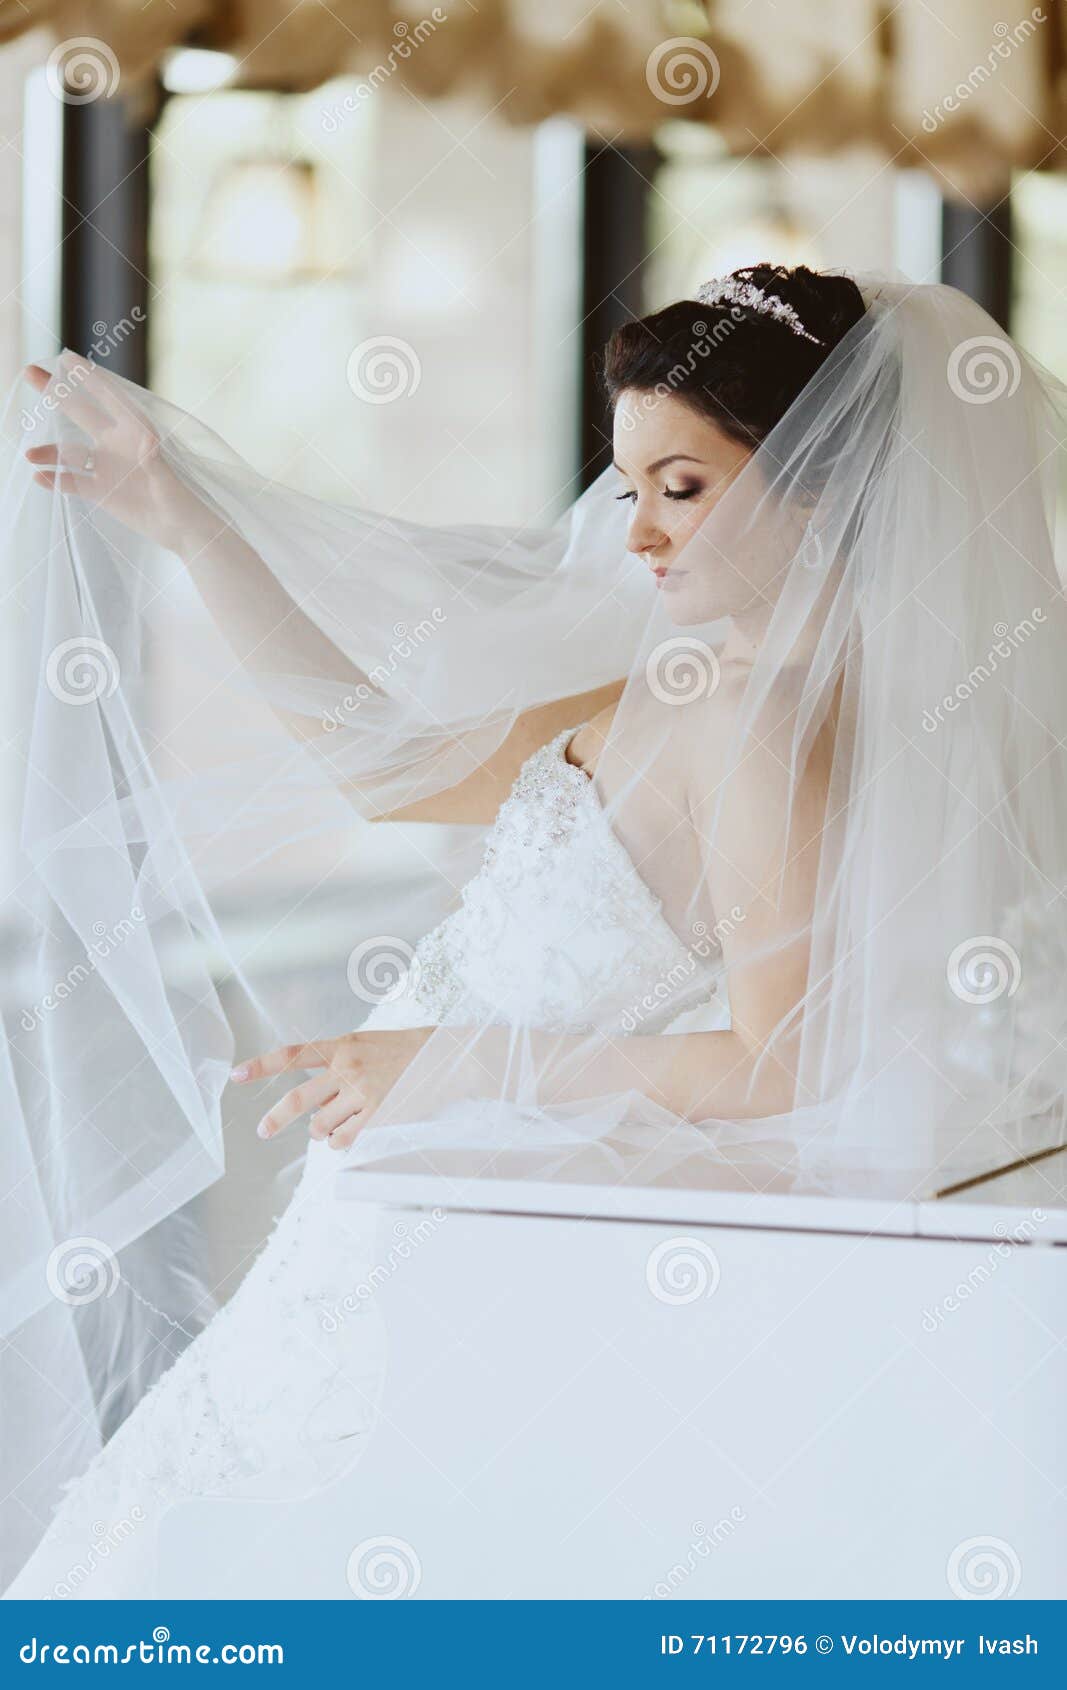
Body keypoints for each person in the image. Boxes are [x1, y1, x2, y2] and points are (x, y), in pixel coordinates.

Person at [4, 265, 1065, 1597]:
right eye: (631, 489)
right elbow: (378, 768)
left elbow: (776, 1063)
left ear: (823, 482)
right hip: (390, 1206)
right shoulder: (694, 689)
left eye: (684, 487)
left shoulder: (763, 733)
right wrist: (188, 521)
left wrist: (441, 1060)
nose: (638, 535)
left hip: (452, 1211)